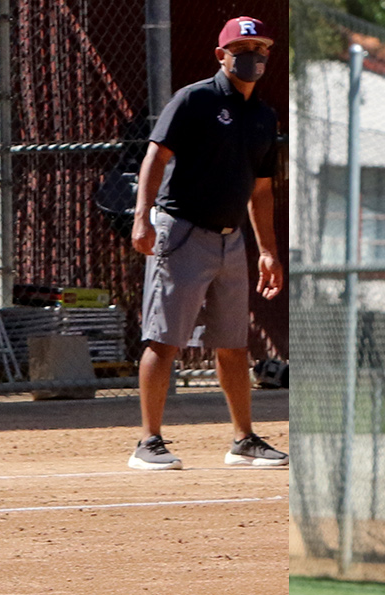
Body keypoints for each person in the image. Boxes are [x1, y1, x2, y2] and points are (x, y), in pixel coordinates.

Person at [127, 15, 285, 471]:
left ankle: (244, 440)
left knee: (234, 343)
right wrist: (143, 219)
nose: (252, 58)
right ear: (222, 55)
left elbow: (260, 190)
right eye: (242, 50)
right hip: (181, 231)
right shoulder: (194, 99)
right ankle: (148, 442)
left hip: (230, 240)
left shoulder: (263, 115)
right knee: (164, 338)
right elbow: (155, 156)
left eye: (260, 51)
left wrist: (269, 251)